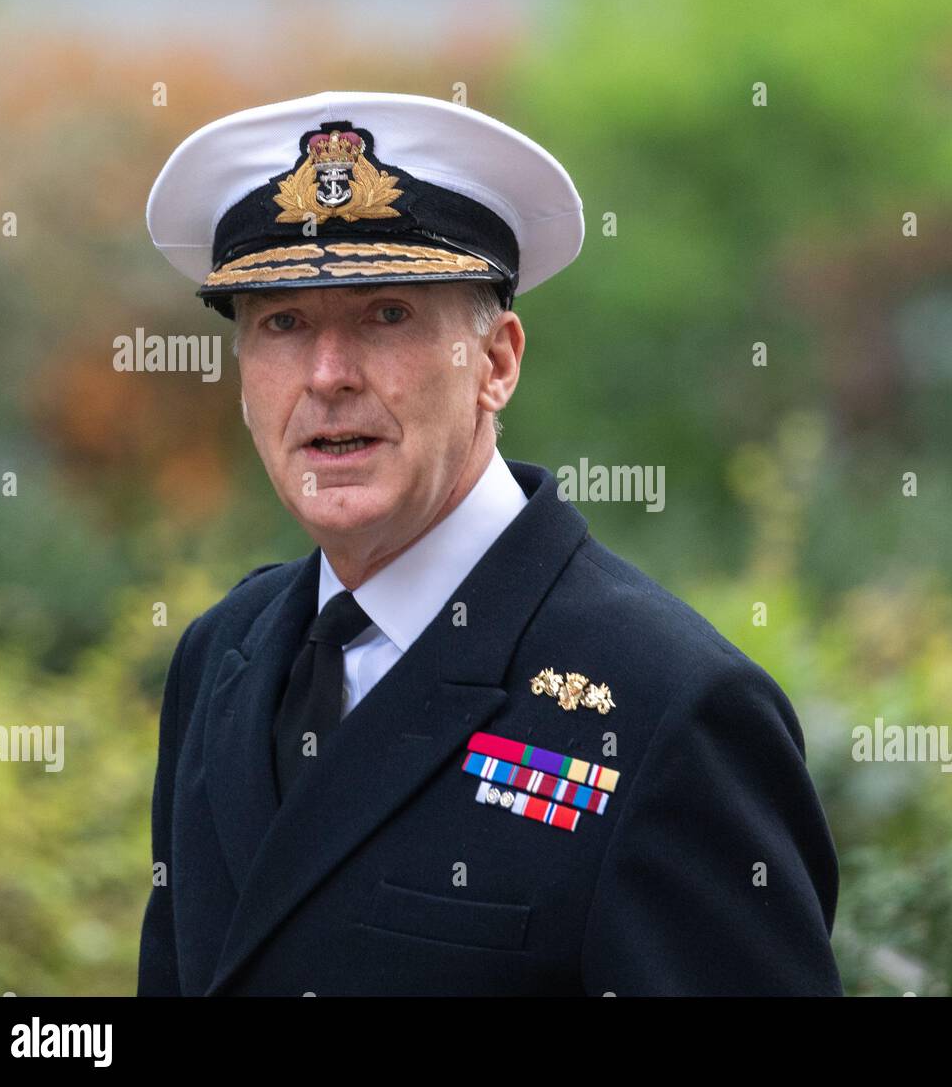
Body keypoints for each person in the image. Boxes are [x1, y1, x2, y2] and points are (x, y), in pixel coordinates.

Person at [138, 91, 845, 996]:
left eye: (385, 315)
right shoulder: (219, 656)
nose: (327, 376)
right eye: (282, 323)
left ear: (498, 363)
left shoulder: (669, 707)